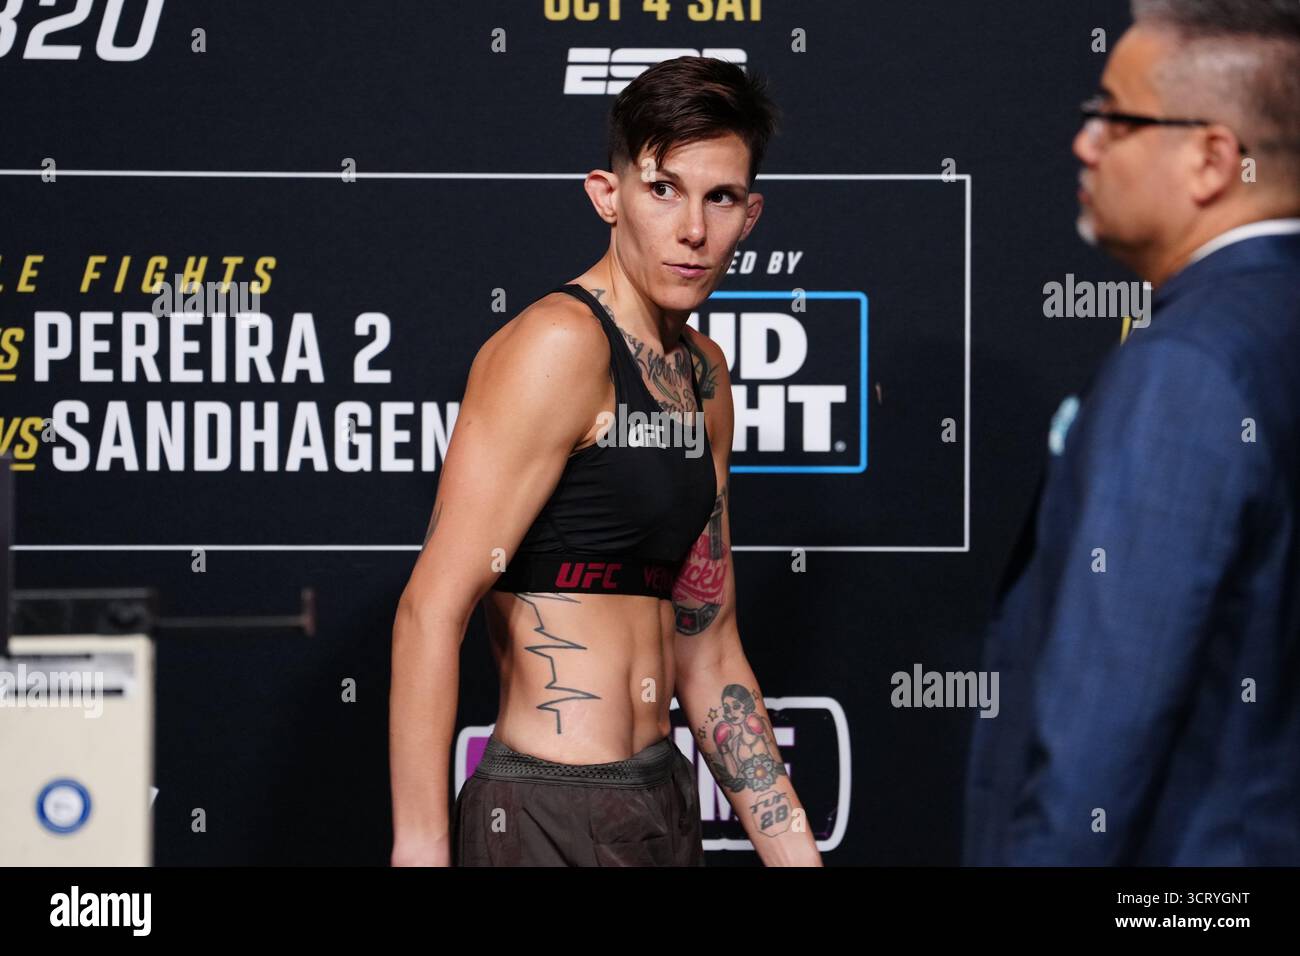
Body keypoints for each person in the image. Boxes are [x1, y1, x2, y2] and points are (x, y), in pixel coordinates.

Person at [389, 55, 822, 866]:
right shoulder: (558, 344)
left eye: (719, 197)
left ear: (750, 214)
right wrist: (420, 849)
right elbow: (429, 612)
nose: (693, 229)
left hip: (662, 797)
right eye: (664, 189)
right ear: (607, 194)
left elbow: (710, 643)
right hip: (549, 808)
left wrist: (794, 850)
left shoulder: (704, 377)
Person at [964, 0, 1300, 865]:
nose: (1086, 142)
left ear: (1211, 158)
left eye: (1115, 115)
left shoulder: (1185, 365)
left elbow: (1102, 730)